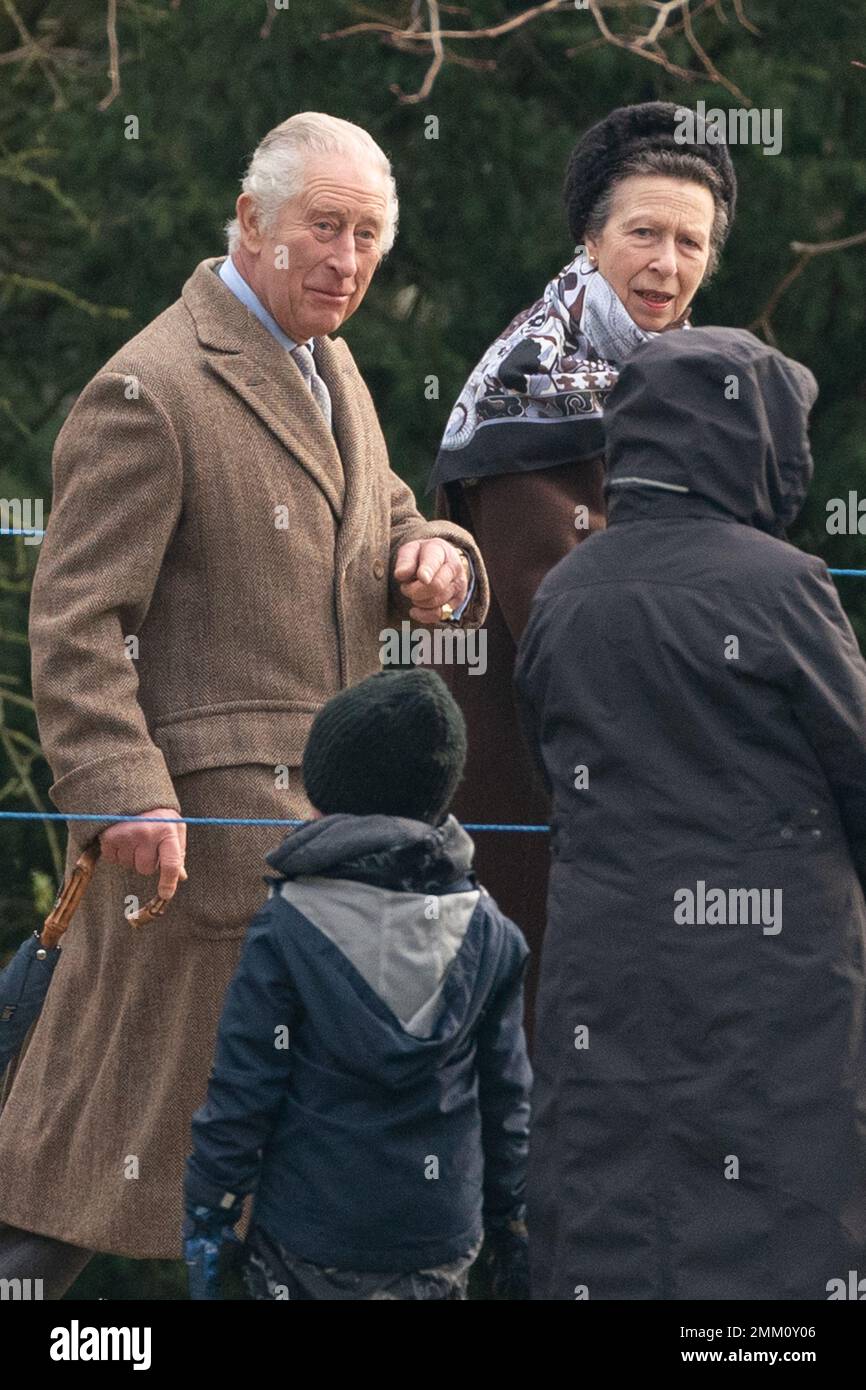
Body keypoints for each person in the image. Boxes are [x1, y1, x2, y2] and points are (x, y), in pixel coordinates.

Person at [0, 112, 488, 1295]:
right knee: (82, 1170)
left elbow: (372, 518)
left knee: (262, 1181)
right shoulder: (151, 385)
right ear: (251, 220)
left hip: (309, 843)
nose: (348, 256)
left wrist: (433, 556)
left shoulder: (329, 364)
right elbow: (76, 622)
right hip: (187, 854)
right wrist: (122, 792)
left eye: (369, 233)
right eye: (324, 226)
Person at [515, 325, 866, 1300]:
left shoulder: (564, 592)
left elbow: (545, 760)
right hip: (769, 974)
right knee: (777, 1225)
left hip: (605, 958)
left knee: (613, 1204)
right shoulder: (781, 585)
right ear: (752, 436)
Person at [426, 101, 737, 1041]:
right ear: (591, 241)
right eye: (643, 233)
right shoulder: (535, 390)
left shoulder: (676, 377)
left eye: (691, 242)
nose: (667, 264)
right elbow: (569, 630)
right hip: (548, 788)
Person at [183, 668, 532, 1301]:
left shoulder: (285, 928)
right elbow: (507, 1102)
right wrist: (511, 1222)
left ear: (324, 796)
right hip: (440, 1239)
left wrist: (210, 1212)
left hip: (309, 1239)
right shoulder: (491, 930)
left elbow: (241, 1095)